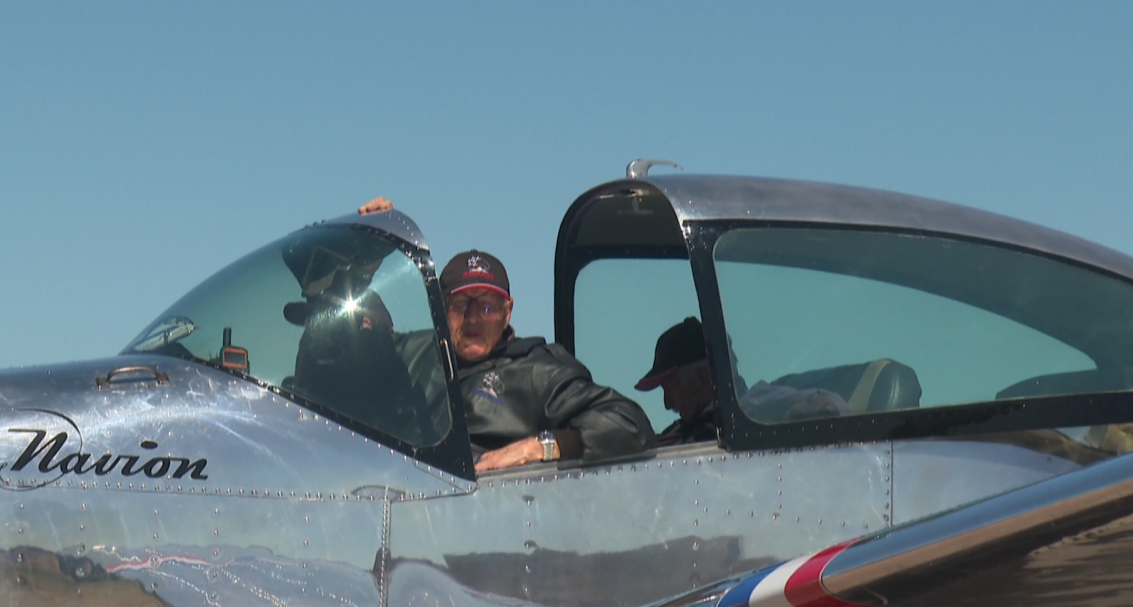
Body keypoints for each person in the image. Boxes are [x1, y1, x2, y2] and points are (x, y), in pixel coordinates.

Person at [359, 197, 655, 471]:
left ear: (507, 313)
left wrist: (538, 447)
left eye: (487, 306)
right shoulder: (413, 353)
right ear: (441, 309)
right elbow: (334, 354)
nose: (473, 317)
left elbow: (630, 424)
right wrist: (368, 254)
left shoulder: (537, 370)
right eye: (461, 304)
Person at [636, 317, 848, 445]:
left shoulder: (752, 406)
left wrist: (762, 432)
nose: (667, 404)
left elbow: (830, 404)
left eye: (671, 390)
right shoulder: (683, 428)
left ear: (705, 378)